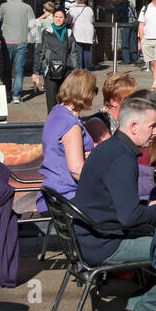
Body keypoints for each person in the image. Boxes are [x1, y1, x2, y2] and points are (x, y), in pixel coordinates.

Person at [72, 95, 156, 311]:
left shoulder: (110, 147)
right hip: (103, 243)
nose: (155, 133)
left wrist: (152, 205)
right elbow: (130, 217)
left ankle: (135, 309)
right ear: (133, 126)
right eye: (152, 126)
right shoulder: (122, 157)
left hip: (93, 234)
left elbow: (123, 209)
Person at [38, 70, 97, 211]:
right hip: (66, 196)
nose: (95, 95)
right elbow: (76, 170)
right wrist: (102, 184)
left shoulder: (56, 112)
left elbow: (60, 152)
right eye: (94, 90)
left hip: (52, 192)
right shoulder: (71, 124)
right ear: (86, 92)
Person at [32, 8, 81, 113]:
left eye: (61, 17)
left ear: (64, 19)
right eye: (56, 17)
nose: (58, 19)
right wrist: (35, 71)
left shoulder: (68, 33)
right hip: (50, 71)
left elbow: (73, 53)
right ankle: (52, 124)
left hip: (66, 71)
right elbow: (40, 52)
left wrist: (76, 70)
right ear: (53, 17)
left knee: (66, 101)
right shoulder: (45, 32)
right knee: (51, 102)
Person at [0, 0, 36, 101]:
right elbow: (33, 24)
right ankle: (16, 96)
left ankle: (7, 93)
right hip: (21, 40)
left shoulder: (3, 6)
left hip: (7, 40)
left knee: (7, 68)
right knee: (19, 69)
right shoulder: (27, 7)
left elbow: (1, 18)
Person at [68, 0, 96, 71]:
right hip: (88, 32)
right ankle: (86, 68)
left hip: (78, 31)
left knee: (78, 50)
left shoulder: (72, 9)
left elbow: (68, 20)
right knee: (87, 50)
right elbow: (92, 20)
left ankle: (79, 68)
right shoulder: (89, 9)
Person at [110, 0, 138, 67]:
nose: (116, 0)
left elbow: (112, 10)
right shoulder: (130, 3)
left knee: (125, 43)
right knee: (132, 42)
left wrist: (103, 9)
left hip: (125, 25)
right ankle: (135, 58)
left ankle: (126, 60)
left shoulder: (122, 5)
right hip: (133, 25)